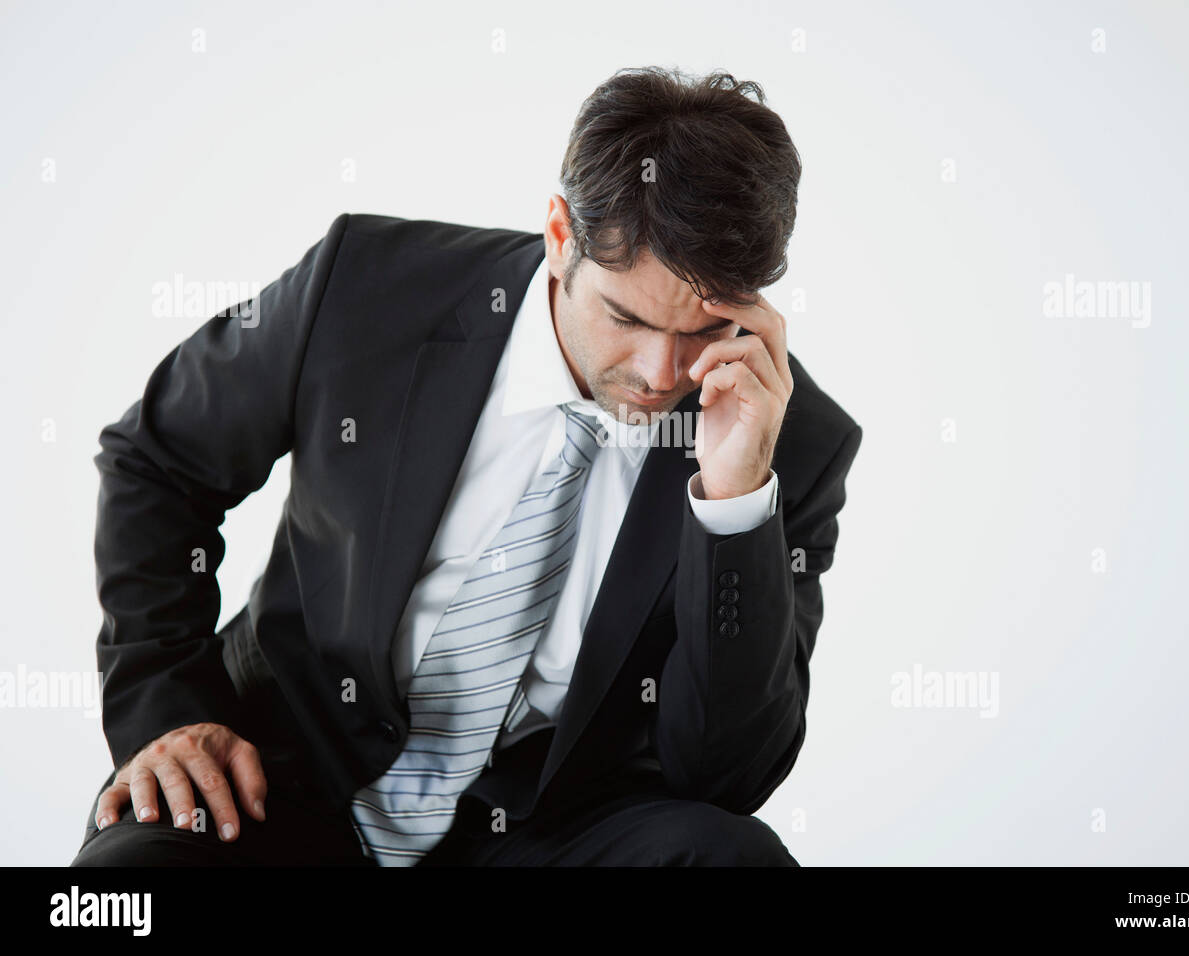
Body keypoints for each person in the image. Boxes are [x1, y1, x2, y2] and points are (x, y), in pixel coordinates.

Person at [71, 65, 862, 867]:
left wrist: (733, 500)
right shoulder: (367, 285)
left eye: (701, 330)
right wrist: (164, 710)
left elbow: (723, 774)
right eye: (624, 316)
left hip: (544, 836)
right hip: (277, 778)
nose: (661, 374)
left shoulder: (788, 441)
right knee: (117, 891)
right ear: (561, 237)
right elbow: (157, 461)